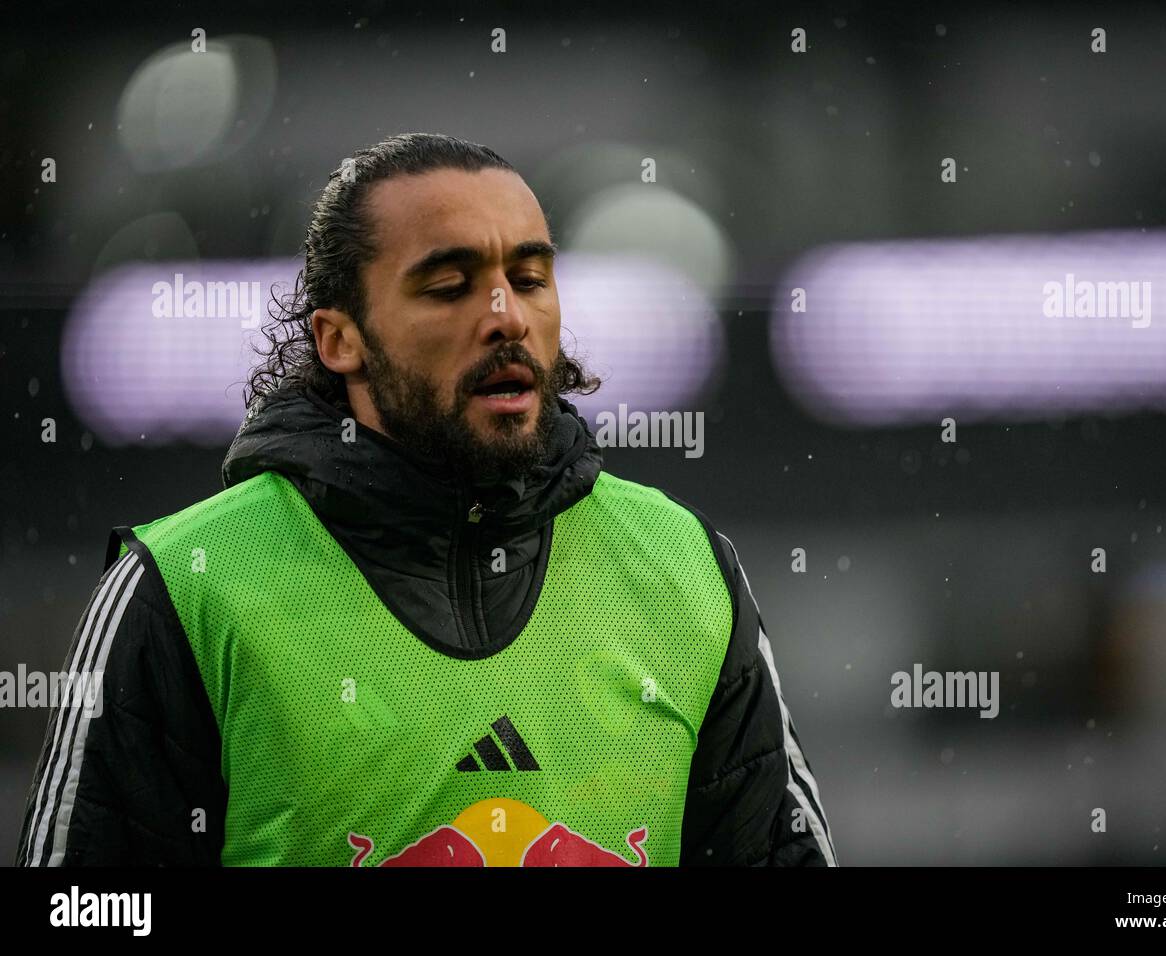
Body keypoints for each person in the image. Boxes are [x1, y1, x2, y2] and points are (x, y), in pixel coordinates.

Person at [16, 133, 836, 867]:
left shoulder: (684, 565)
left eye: (530, 277)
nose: (505, 316)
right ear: (340, 339)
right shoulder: (186, 584)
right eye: (449, 286)